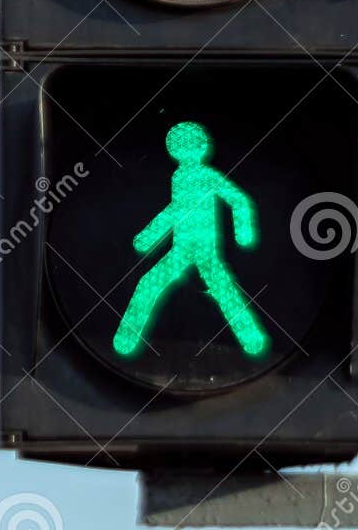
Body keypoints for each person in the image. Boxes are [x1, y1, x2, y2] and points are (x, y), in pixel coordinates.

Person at [112, 121, 270, 359]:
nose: (183, 150)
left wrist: (243, 232)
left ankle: (251, 339)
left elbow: (237, 199)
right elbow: (176, 209)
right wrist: (149, 236)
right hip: (183, 248)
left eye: (187, 144)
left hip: (203, 249)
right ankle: (126, 338)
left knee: (223, 290)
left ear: (201, 146)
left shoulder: (207, 175)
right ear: (173, 149)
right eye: (178, 145)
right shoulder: (180, 176)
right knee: (150, 283)